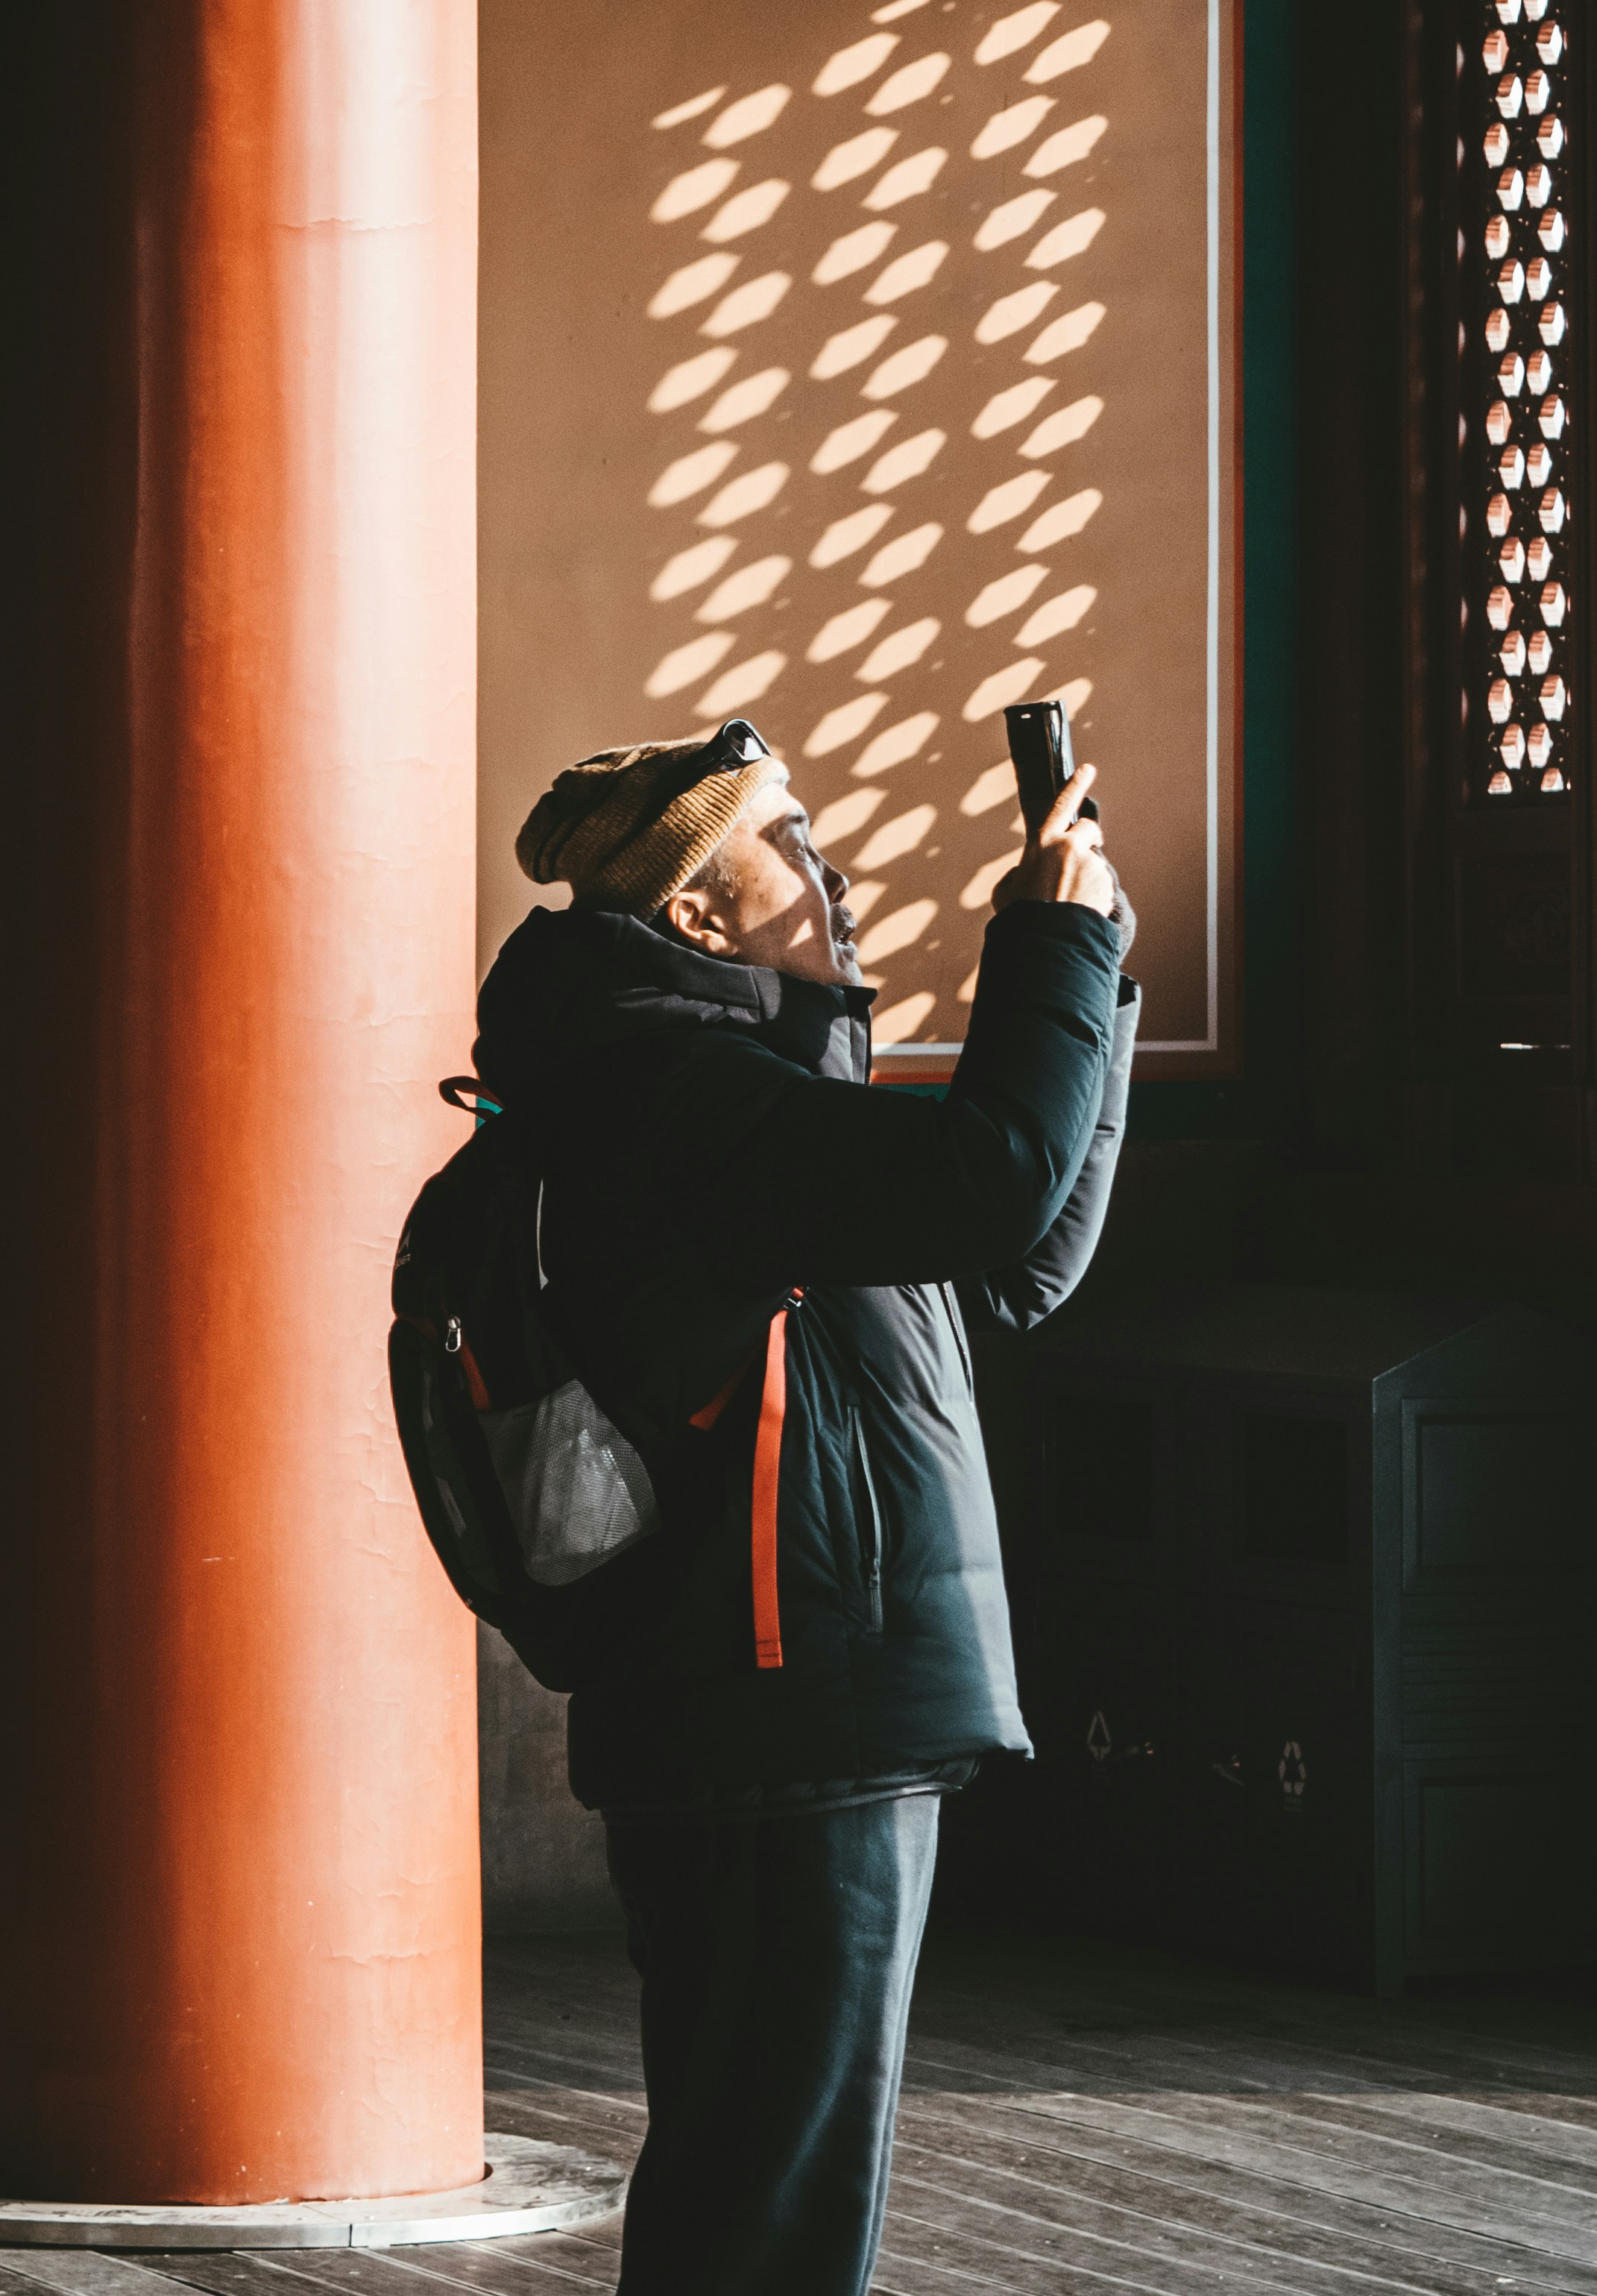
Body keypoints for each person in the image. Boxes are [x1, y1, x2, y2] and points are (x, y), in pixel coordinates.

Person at [474, 714, 1138, 2296]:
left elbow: (1021, 1251)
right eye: (793, 841)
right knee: (771, 2198)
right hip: (775, 1708)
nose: (831, 872)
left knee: (767, 2175)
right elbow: (993, 1179)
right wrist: (1045, 936)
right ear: (698, 913)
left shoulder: (732, 1089)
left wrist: (1093, 976)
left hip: (794, 1709)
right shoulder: (676, 1093)